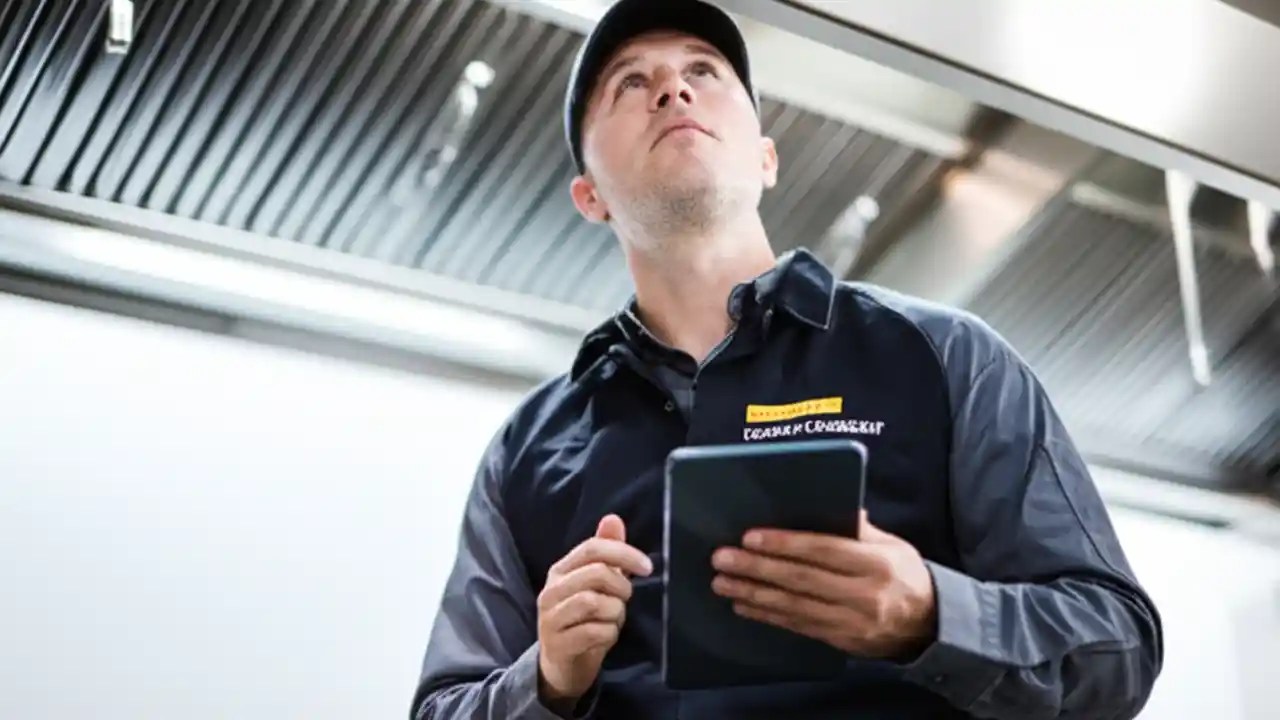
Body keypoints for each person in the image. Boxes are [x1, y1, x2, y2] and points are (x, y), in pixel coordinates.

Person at [408, 0, 1163, 717]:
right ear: (589, 196)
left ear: (766, 158)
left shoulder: (944, 359)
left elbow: (1117, 647)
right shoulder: (528, 447)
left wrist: (930, 613)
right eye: (629, 83)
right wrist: (545, 681)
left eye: (703, 71)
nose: (672, 87)